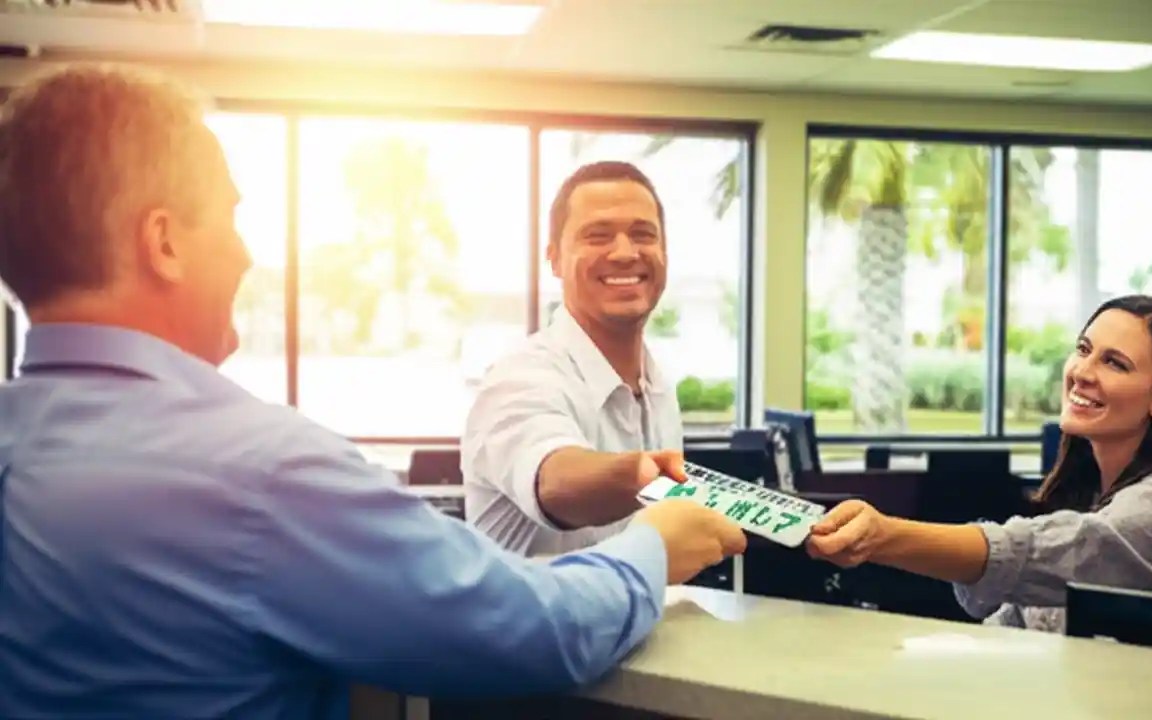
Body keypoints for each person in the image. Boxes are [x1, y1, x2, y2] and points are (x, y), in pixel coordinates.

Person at [0, 63, 747, 718]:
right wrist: (653, 545)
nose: (245, 253)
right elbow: (527, 629)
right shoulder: (261, 473)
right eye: (230, 217)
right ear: (162, 242)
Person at [805, 295, 1152, 633]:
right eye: (1083, 350)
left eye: (1114, 363)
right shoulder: (1091, 497)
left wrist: (883, 536)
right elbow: (1008, 625)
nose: (1082, 373)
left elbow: (1028, 553)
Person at [463, 161, 687, 556]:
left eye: (643, 234)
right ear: (554, 259)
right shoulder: (520, 377)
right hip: (535, 620)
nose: (624, 252)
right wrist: (642, 477)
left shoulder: (658, 387)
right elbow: (555, 483)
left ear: (664, 253)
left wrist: (807, 528)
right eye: (597, 236)